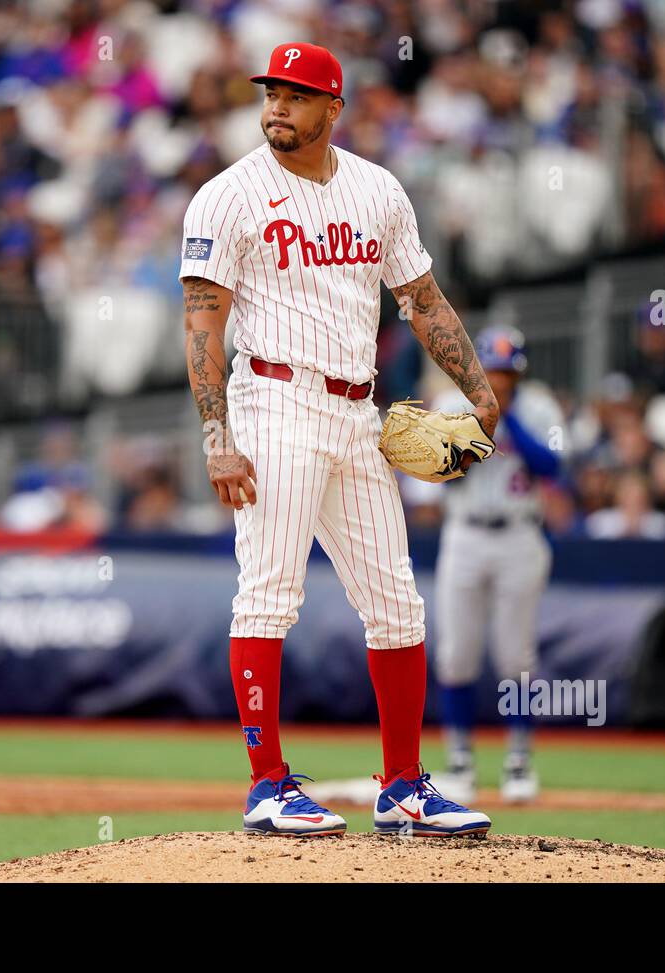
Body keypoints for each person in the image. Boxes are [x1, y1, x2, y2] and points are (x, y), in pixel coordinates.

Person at [179, 42, 500, 838]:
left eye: (296, 94)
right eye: (271, 93)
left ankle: (402, 785)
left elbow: (422, 299)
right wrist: (218, 435)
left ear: (333, 108)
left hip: (359, 415)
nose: (277, 106)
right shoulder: (226, 197)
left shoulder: (376, 190)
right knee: (269, 593)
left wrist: (482, 394)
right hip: (273, 402)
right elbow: (202, 325)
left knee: (396, 602)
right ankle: (267, 784)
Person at [426, 327, 564, 804]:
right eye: (493, 370)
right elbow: (441, 476)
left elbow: (553, 467)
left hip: (519, 533)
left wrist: (505, 421)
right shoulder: (451, 402)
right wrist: (471, 435)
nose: (500, 379)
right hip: (464, 531)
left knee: (516, 657)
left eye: (507, 372)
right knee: (456, 653)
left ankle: (519, 761)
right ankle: (461, 761)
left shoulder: (540, 407)